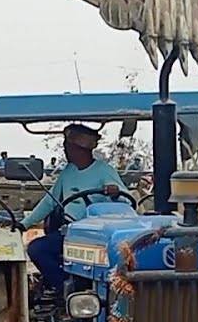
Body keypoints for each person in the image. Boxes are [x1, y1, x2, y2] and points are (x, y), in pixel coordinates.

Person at [13, 123, 127, 300]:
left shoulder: (104, 171)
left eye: (68, 147)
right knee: (37, 248)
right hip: (71, 233)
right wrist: (24, 224)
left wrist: (114, 193)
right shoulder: (68, 172)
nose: (65, 151)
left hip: (97, 236)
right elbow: (49, 201)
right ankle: (66, 291)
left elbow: (126, 201)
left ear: (79, 149)